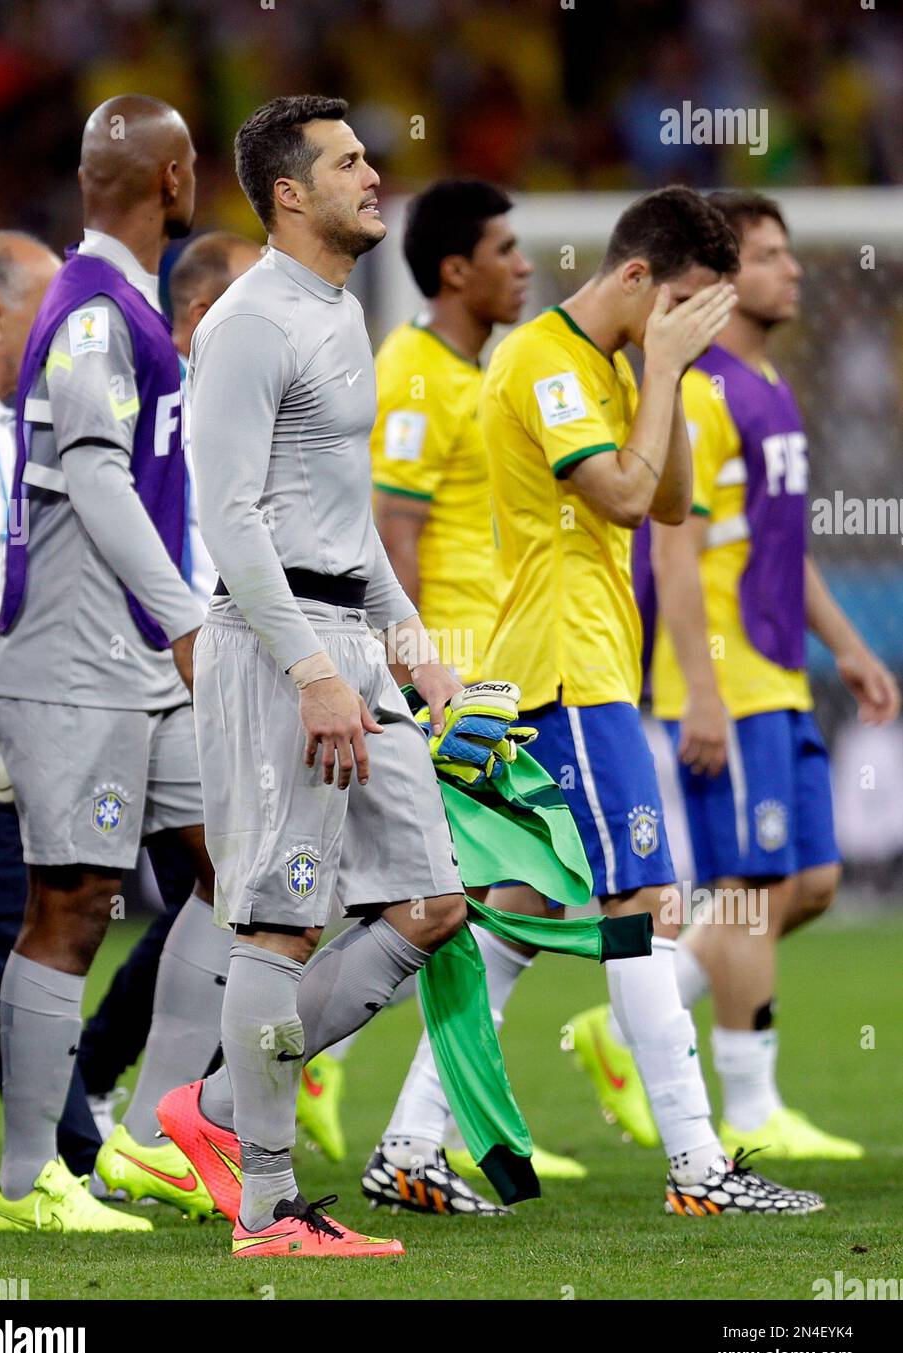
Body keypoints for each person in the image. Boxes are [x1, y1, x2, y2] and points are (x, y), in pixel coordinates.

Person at [380, 186, 824, 1216]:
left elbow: (665, 499)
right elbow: (621, 497)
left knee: (523, 912)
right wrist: (662, 368)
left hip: (579, 665)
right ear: (635, 278)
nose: (695, 329)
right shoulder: (543, 359)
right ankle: (699, 1169)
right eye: (686, 305)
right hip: (566, 672)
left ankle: (409, 1144)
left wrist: (659, 372)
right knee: (637, 904)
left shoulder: (611, 367)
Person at [169, 93, 471, 1259]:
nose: (372, 175)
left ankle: (217, 1102)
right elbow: (229, 518)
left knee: (432, 903)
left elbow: (346, 532)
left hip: (353, 647)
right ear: (289, 192)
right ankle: (268, 1205)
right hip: (277, 647)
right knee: (279, 924)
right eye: (348, 162)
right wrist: (308, 670)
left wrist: (422, 661)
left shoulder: (339, 314)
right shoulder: (248, 323)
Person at [0, 95, 231, 1235]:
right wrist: (187, 620)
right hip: (82, 657)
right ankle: (29, 1182)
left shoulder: (124, 303)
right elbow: (93, 474)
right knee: (73, 904)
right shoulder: (91, 313)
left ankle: (148, 1136)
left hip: (136, 655)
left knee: (237, 864)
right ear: (174, 180)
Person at [622, 190, 900, 1159]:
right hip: (726, 682)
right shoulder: (699, 391)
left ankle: (624, 1027)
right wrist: (697, 690)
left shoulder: (770, 387)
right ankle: (750, 1110)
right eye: (772, 254)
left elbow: (787, 549)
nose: (792, 269)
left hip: (780, 672)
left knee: (811, 882)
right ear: (727, 277)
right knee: (747, 888)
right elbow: (673, 555)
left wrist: (850, 649)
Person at [353, 178, 588, 1213]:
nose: (525, 264)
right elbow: (390, 530)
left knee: (497, 902)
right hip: (444, 684)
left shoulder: (475, 369)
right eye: (506, 247)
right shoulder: (411, 372)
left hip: (486, 677)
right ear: (456, 269)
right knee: (502, 897)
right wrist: (424, 682)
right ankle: (383, 1129)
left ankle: (408, 1132)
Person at [76, 231, 263, 1134]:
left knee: (230, 888)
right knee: (85, 897)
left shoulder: (234, 408)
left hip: (215, 673)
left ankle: (156, 1109)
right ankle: (136, 1108)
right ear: (200, 316)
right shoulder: (154, 407)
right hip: (148, 676)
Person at [0, 232, 105, 1178]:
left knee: (9, 930)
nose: (65, 332)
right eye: (49, 311)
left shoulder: (6, 420)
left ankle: (69, 1157)